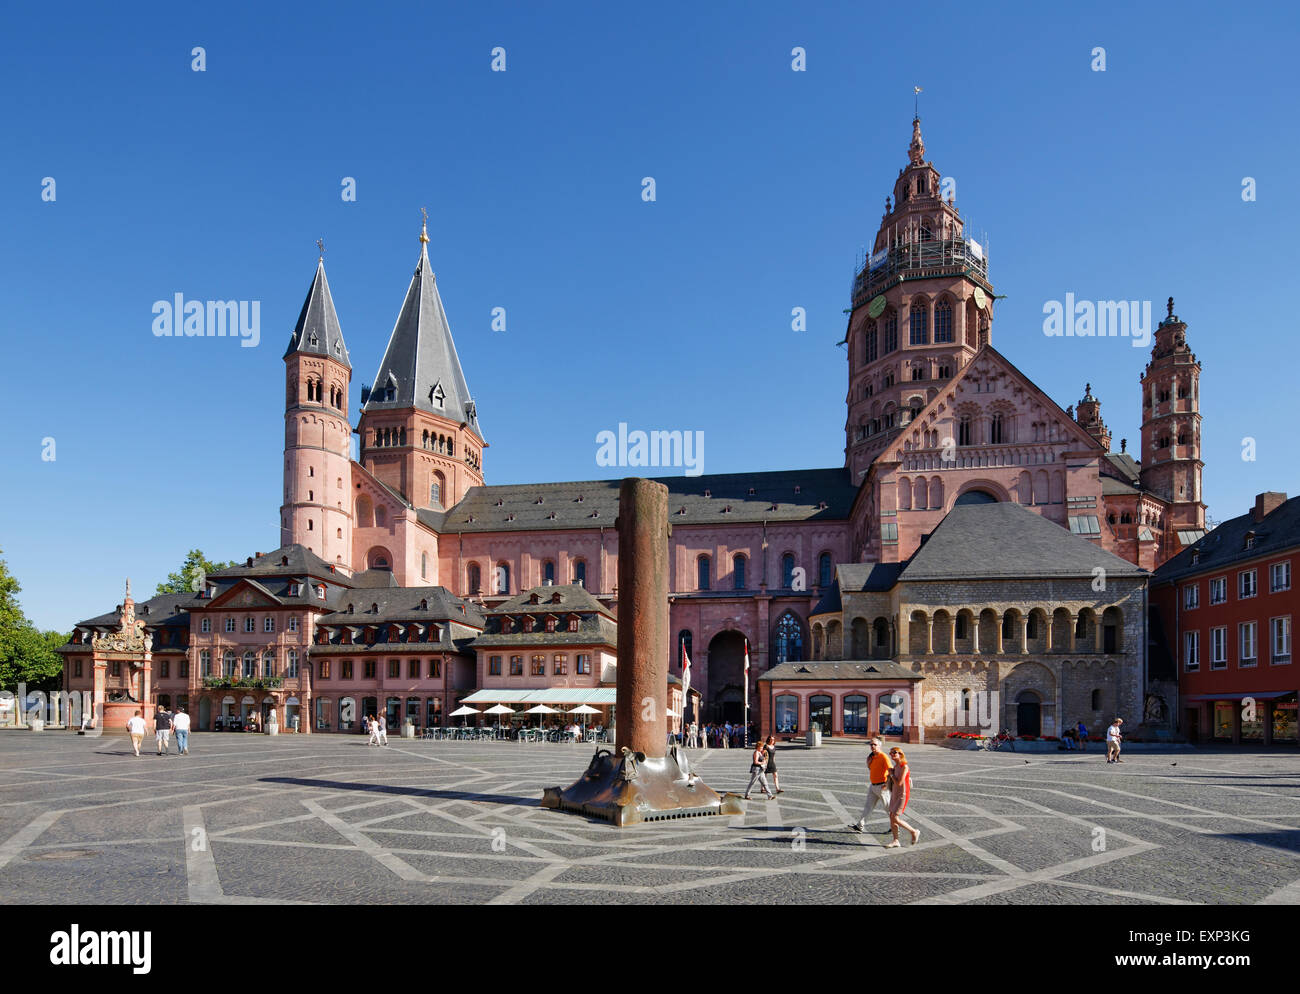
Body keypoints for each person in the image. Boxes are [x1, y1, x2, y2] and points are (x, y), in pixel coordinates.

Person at [848, 737, 893, 835]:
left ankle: (895, 827)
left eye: (875, 744)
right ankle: (860, 826)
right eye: (871, 744)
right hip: (873, 786)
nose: (872, 746)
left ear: (880, 746)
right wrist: (868, 763)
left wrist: (887, 784)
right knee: (868, 807)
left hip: (882, 787)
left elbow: (891, 771)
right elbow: (873, 770)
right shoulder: (871, 757)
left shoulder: (883, 757)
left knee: (888, 808)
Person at [885, 747, 920, 847]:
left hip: (902, 795)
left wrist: (891, 774)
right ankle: (896, 841)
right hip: (895, 793)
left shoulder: (904, 767)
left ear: (900, 754)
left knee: (895, 817)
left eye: (894, 752)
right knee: (892, 817)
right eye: (891, 753)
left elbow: (899, 783)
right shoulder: (895, 767)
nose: (892, 754)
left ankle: (913, 831)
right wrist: (889, 776)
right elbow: (893, 782)